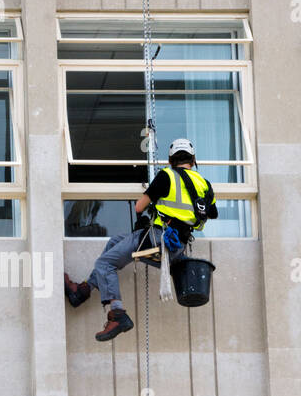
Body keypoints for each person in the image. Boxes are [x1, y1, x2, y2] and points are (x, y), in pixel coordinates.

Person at [64, 137, 215, 342]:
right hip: (178, 247)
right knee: (115, 243)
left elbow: (138, 207)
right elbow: (212, 213)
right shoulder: (205, 185)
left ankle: (117, 313)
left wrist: (154, 198)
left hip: (156, 239)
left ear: (171, 160)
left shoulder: (167, 176)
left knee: (104, 263)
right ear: (193, 159)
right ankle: (83, 290)